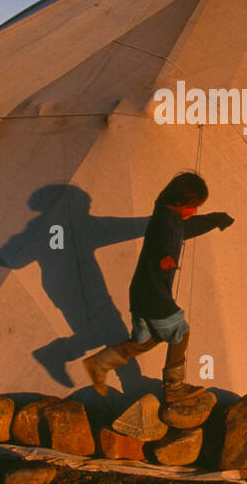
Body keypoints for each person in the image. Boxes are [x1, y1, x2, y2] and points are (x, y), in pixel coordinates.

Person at [83, 171, 233, 402]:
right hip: (155, 296)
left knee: (144, 341)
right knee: (180, 333)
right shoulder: (167, 223)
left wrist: (215, 219)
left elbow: (186, 228)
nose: (193, 212)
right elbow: (165, 240)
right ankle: (174, 388)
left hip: (140, 294)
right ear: (177, 202)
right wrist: (164, 257)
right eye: (191, 207)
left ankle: (99, 363)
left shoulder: (166, 215)